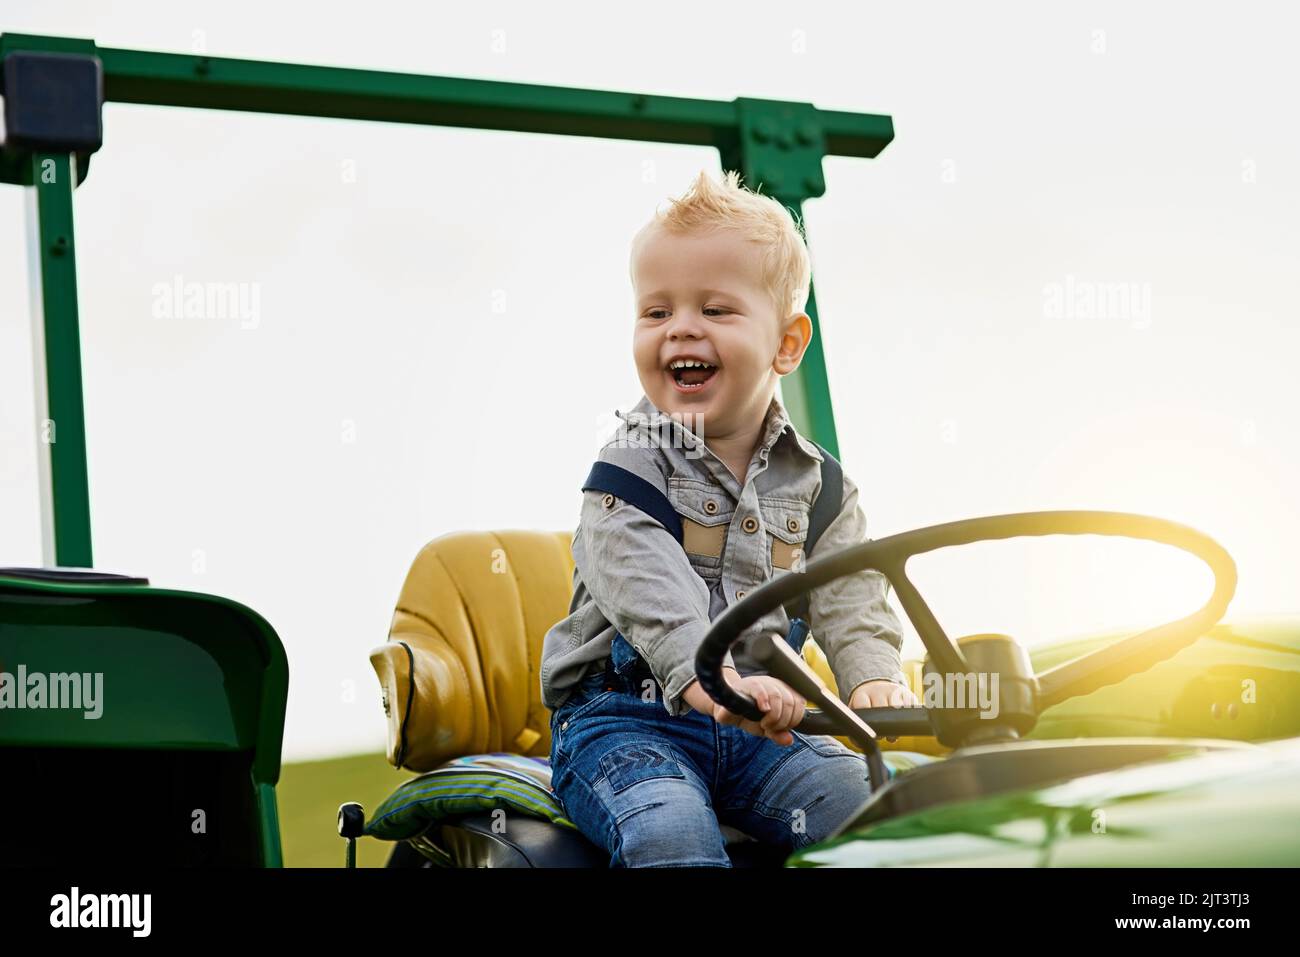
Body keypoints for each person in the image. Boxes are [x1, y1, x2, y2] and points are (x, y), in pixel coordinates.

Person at [539, 168, 919, 867]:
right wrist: (713, 679)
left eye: (715, 309)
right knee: (670, 831)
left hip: (766, 729)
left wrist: (871, 677)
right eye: (656, 312)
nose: (681, 327)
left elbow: (853, 594)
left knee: (878, 814)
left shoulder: (824, 488)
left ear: (787, 344)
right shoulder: (628, 468)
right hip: (627, 722)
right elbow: (649, 594)